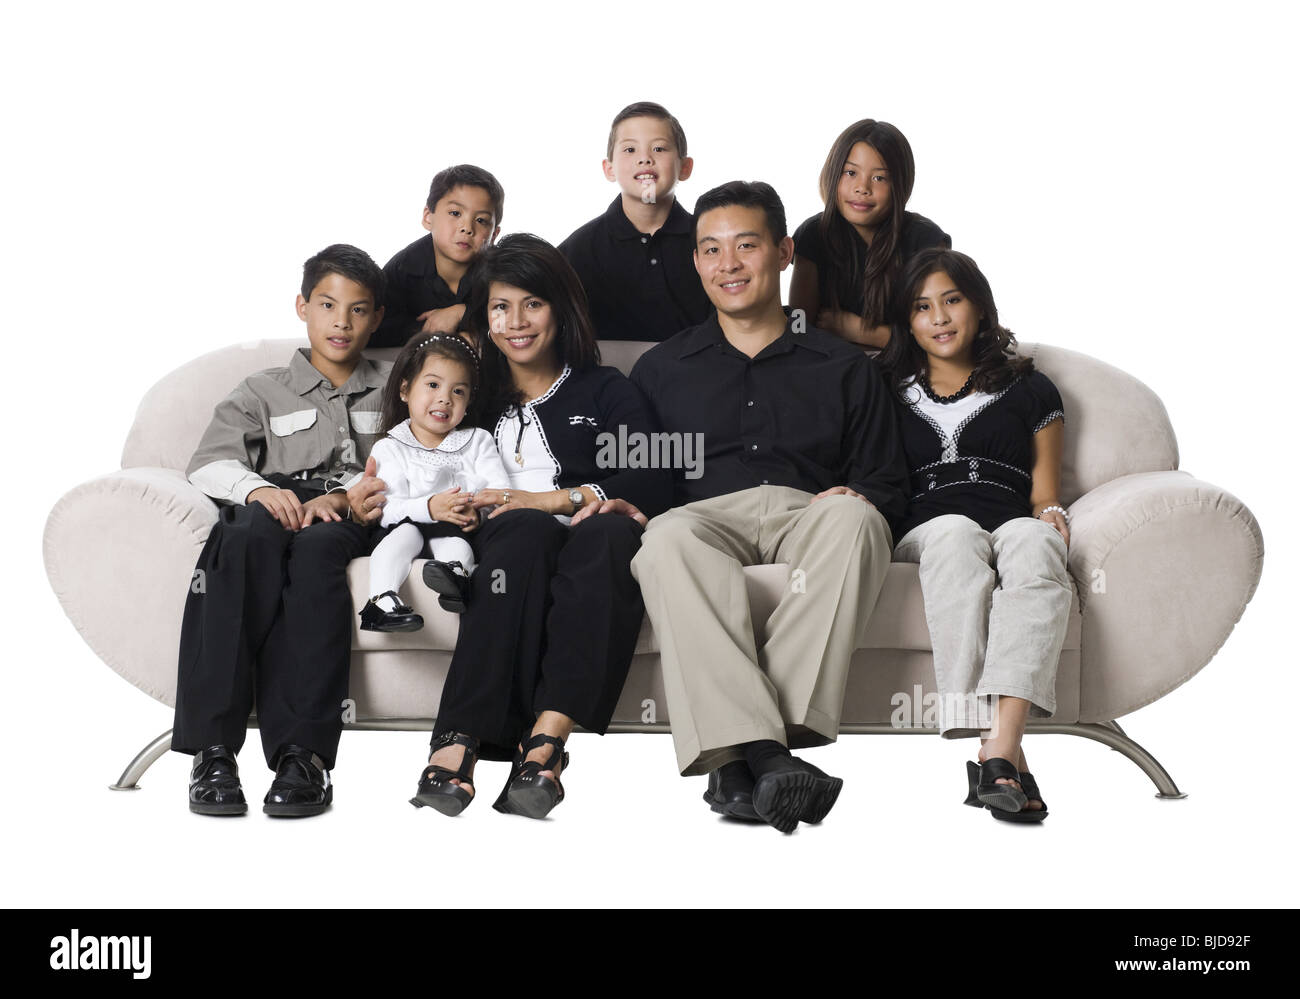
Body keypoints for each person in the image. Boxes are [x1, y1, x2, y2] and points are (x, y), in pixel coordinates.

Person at [623, 181, 909, 833]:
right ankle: (770, 756)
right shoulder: (661, 369)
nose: (728, 265)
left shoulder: (844, 365)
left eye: (746, 246)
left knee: (859, 518)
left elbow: (886, 479)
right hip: (702, 519)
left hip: (807, 515)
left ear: (782, 253)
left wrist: (858, 496)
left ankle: (739, 758)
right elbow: (644, 488)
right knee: (663, 541)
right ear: (694, 261)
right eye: (711, 250)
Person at [358, 233, 671, 818]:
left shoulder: (604, 388)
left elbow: (653, 473)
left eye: (533, 303)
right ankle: (459, 740)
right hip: (501, 537)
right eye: (500, 307)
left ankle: (546, 742)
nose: (516, 322)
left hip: (585, 524)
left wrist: (556, 500)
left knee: (604, 536)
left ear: (562, 309)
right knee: (521, 537)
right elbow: (412, 451)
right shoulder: (471, 398)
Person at [174, 244, 390, 818]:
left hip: (351, 516)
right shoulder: (261, 389)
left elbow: (430, 455)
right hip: (275, 503)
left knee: (317, 558)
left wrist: (343, 499)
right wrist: (260, 491)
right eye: (327, 305)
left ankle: (304, 755)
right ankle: (212, 751)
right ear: (302, 306)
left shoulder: (398, 385)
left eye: (359, 310)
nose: (341, 323)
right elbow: (208, 464)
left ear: (378, 318)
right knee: (238, 537)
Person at [879, 247, 1072, 823]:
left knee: (1037, 543)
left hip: (1009, 518)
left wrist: (1052, 513)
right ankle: (996, 745)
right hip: (925, 529)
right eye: (921, 307)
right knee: (958, 534)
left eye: (951, 301)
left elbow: (1043, 493)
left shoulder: (1032, 388)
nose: (938, 318)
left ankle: (999, 754)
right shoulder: (883, 387)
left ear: (979, 307)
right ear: (906, 322)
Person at [359, 332, 512, 630]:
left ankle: (454, 578)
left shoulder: (478, 440)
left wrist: (476, 513)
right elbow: (388, 509)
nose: (444, 397)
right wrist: (430, 507)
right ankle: (381, 601)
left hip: (455, 527)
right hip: (405, 525)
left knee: (454, 542)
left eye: (458, 391)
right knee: (406, 537)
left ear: (468, 402)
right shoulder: (390, 446)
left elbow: (500, 492)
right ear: (405, 390)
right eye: (432, 385)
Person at [789, 119, 950, 350]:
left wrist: (860, 330)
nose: (862, 187)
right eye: (850, 172)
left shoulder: (925, 240)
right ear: (833, 173)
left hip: (907, 370)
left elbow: (940, 334)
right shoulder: (813, 234)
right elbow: (798, 324)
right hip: (830, 369)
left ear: (900, 184)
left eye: (879, 178)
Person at [559, 101, 712, 342]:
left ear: (685, 167)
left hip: (701, 374)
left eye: (659, 149)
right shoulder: (577, 250)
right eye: (630, 150)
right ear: (609, 169)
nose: (645, 159)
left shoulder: (710, 242)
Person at [370, 164, 504, 347]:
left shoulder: (502, 269)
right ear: (428, 217)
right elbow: (375, 329)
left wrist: (463, 313)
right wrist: (432, 331)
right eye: (455, 213)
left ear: (494, 235)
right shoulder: (402, 269)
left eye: (481, 220)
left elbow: (518, 315)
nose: (467, 228)